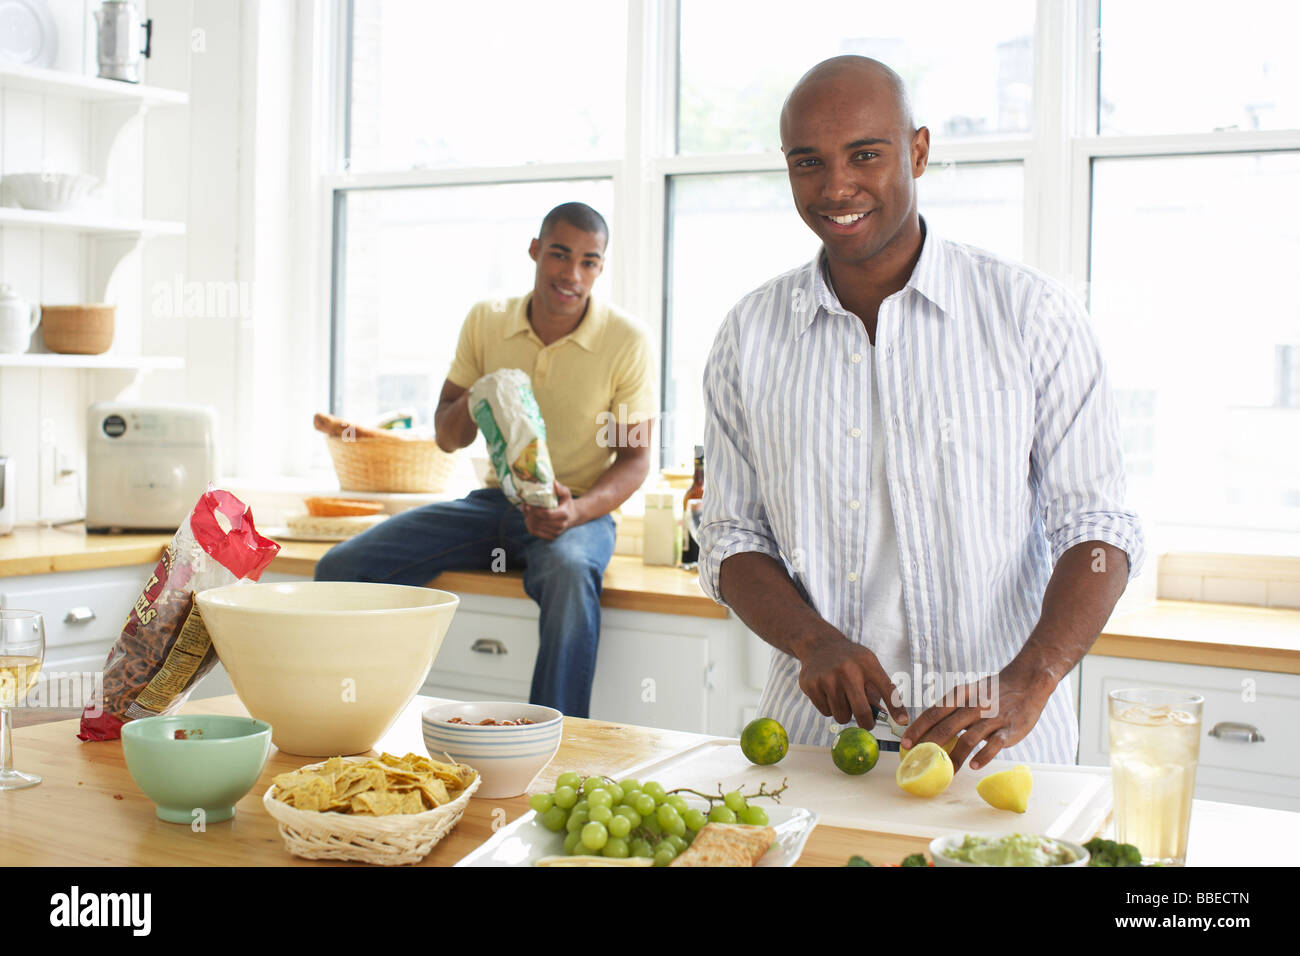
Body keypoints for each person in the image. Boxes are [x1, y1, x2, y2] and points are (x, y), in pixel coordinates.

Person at [697, 57, 1143, 770]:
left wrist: (1034, 677)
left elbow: (1097, 528)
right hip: (814, 753)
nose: (836, 187)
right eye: (808, 162)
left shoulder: (1031, 315)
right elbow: (729, 534)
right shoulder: (748, 337)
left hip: (1002, 752)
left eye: (864, 154)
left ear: (919, 151)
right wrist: (814, 641)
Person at [316, 202, 656, 717]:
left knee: (568, 575)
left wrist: (574, 513)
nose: (571, 274)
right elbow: (446, 437)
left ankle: (552, 748)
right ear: (535, 251)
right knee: (340, 568)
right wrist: (479, 399)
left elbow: (634, 459)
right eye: (560, 254)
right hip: (493, 505)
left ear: (600, 269)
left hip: (574, 513)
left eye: (589, 261)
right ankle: (355, 717)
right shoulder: (487, 321)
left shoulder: (626, 341)